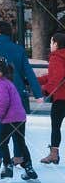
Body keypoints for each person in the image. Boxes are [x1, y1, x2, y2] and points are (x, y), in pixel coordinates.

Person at [0, 20, 43, 169]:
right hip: (18, 91)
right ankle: (19, 156)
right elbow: (28, 72)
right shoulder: (19, 49)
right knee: (17, 125)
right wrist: (38, 93)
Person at [0, 58, 38, 181]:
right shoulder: (8, 82)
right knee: (21, 143)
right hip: (20, 118)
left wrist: (0, 114)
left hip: (10, 118)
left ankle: (8, 167)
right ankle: (29, 168)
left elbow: (4, 102)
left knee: (2, 142)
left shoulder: (1, 84)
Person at [40, 30, 65, 166]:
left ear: (56, 43)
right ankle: (54, 154)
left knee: (56, 126)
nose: (50, 44)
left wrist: (46, 90)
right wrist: (36, 80)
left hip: (61, 98)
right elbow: (52, 77)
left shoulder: (56, 57)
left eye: (51, 42)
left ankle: (54, 154)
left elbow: (57, 77)